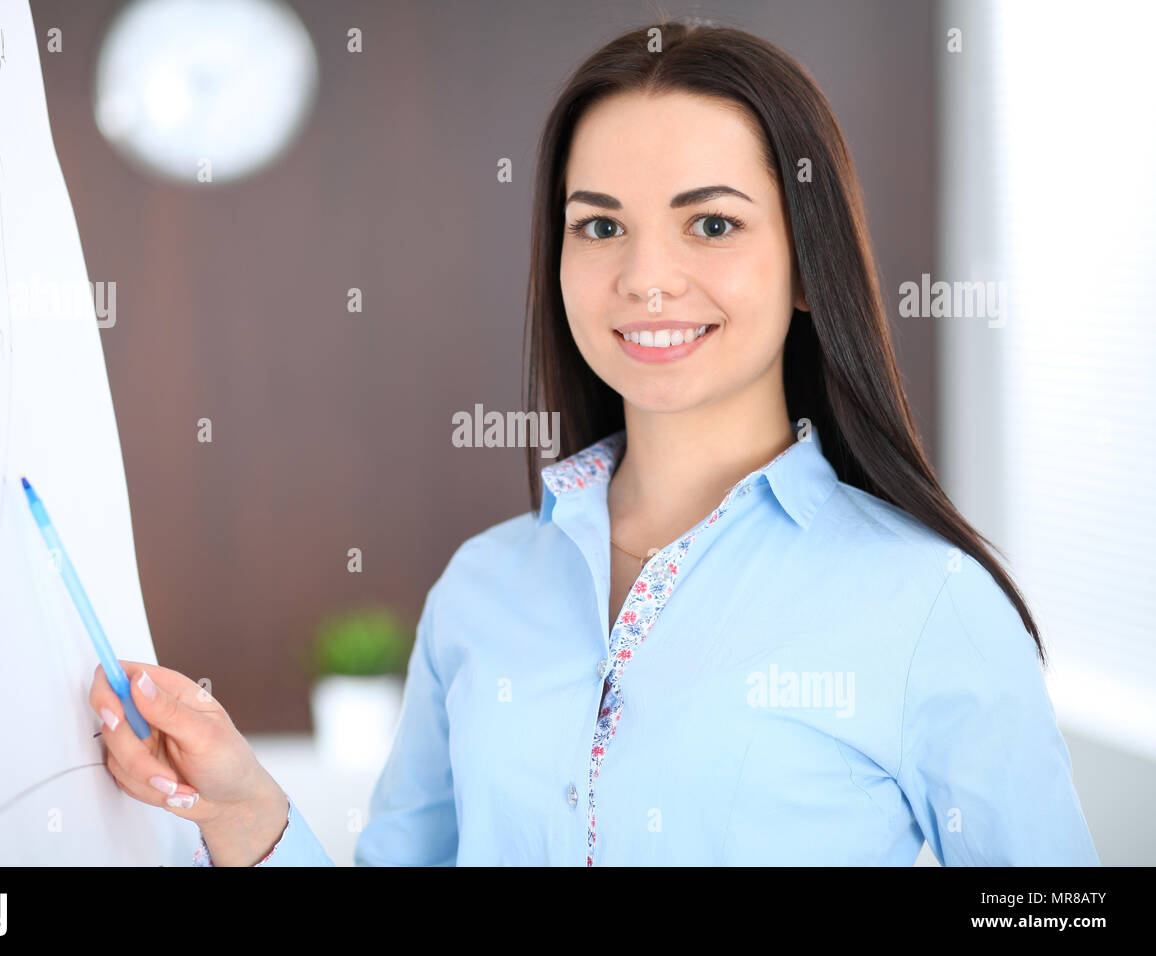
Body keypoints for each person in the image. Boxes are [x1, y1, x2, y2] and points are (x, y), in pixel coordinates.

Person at [89, 21, 1099, 866]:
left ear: (805, 265)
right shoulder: (482, 590)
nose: (645, 278)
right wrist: (239, 810)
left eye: (710, 225)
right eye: (599, 226)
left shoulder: (928, 603)